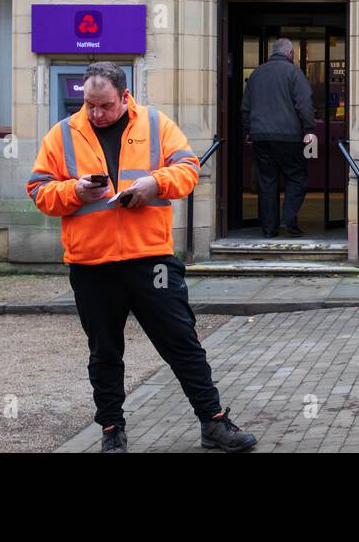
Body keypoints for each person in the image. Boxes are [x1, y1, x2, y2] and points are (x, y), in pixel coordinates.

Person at [26, 61, 256, 453]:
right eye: (90, 105)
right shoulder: (63, 134)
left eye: (105, 106)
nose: (96, 114)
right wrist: (75, 192)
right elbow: (38, 190)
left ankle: (214, 423)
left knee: (182, 343)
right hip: (92, 264)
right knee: (104, 352)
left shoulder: (155, 123)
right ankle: (112, 431)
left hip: (151, 261)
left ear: (124, 96)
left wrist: (155, 183)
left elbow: (188, 169)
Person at [241, 37, 317, 238]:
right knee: (297, 177)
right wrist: (309, 129)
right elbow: (305, 103)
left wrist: (249, 130)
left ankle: (268, 229)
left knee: (267, 181)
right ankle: (288, 221)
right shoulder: (294, 72)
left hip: (260, 136)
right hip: (288, 136)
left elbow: (245, 107)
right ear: (290, 53)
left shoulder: (256, 74)